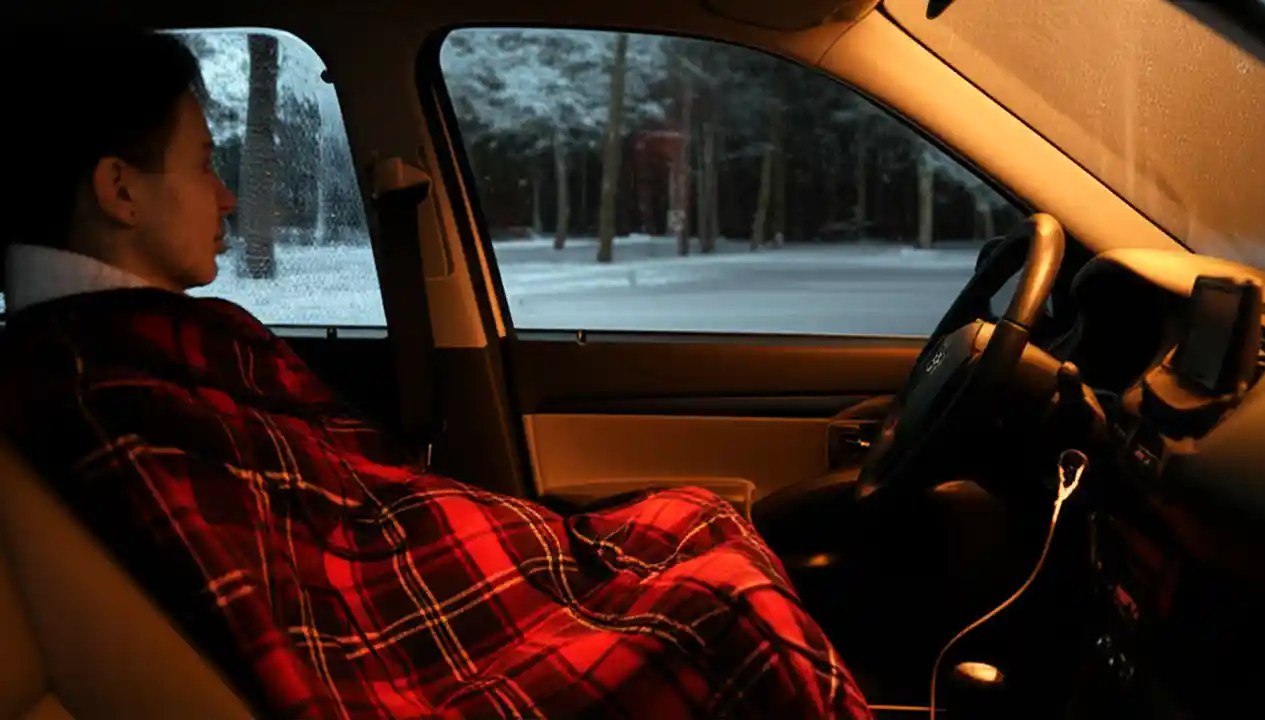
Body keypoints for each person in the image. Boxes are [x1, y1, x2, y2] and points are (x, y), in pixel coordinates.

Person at [0, 28, 870, 719]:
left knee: (696, 523)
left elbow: (344, 503)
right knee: (719, 601)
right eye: (202, 164)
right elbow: (300, 603)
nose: (227, 196)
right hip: (401, 660)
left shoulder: (150, 344)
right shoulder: (95, 390)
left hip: (418, 608)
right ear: (120, 191)